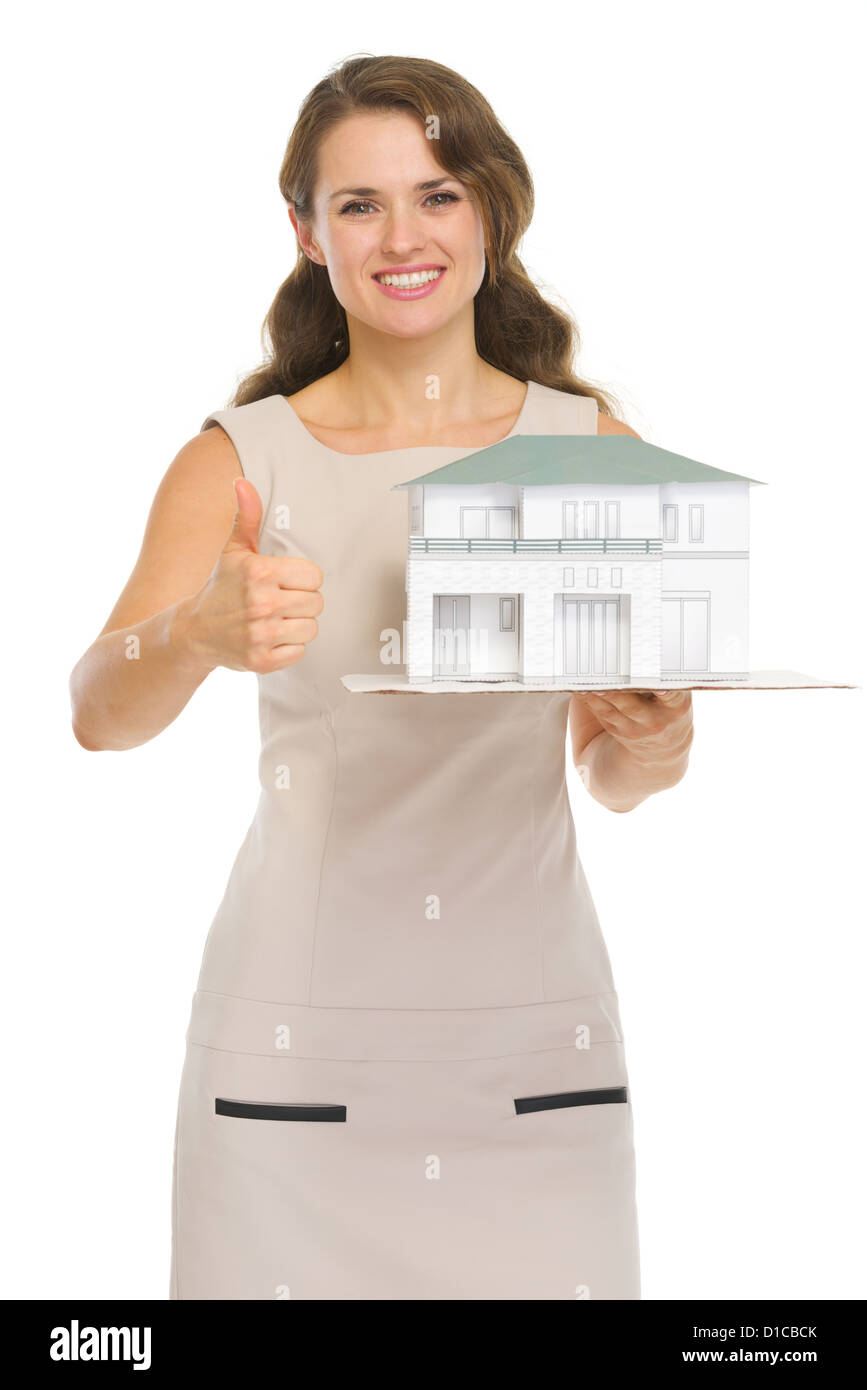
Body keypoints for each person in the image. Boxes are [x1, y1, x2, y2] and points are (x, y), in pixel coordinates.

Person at [69, 54, 694, 1300]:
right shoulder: (240, 461)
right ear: (305, 231)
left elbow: (622, 777)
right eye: (359, 204)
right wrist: (196, 633)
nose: (402, 236)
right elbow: (95, 711)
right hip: (291, 1073)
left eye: (439, 194)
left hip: (535, 1063)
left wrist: (657, 727)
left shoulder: (593, 453)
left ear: (492, 213)